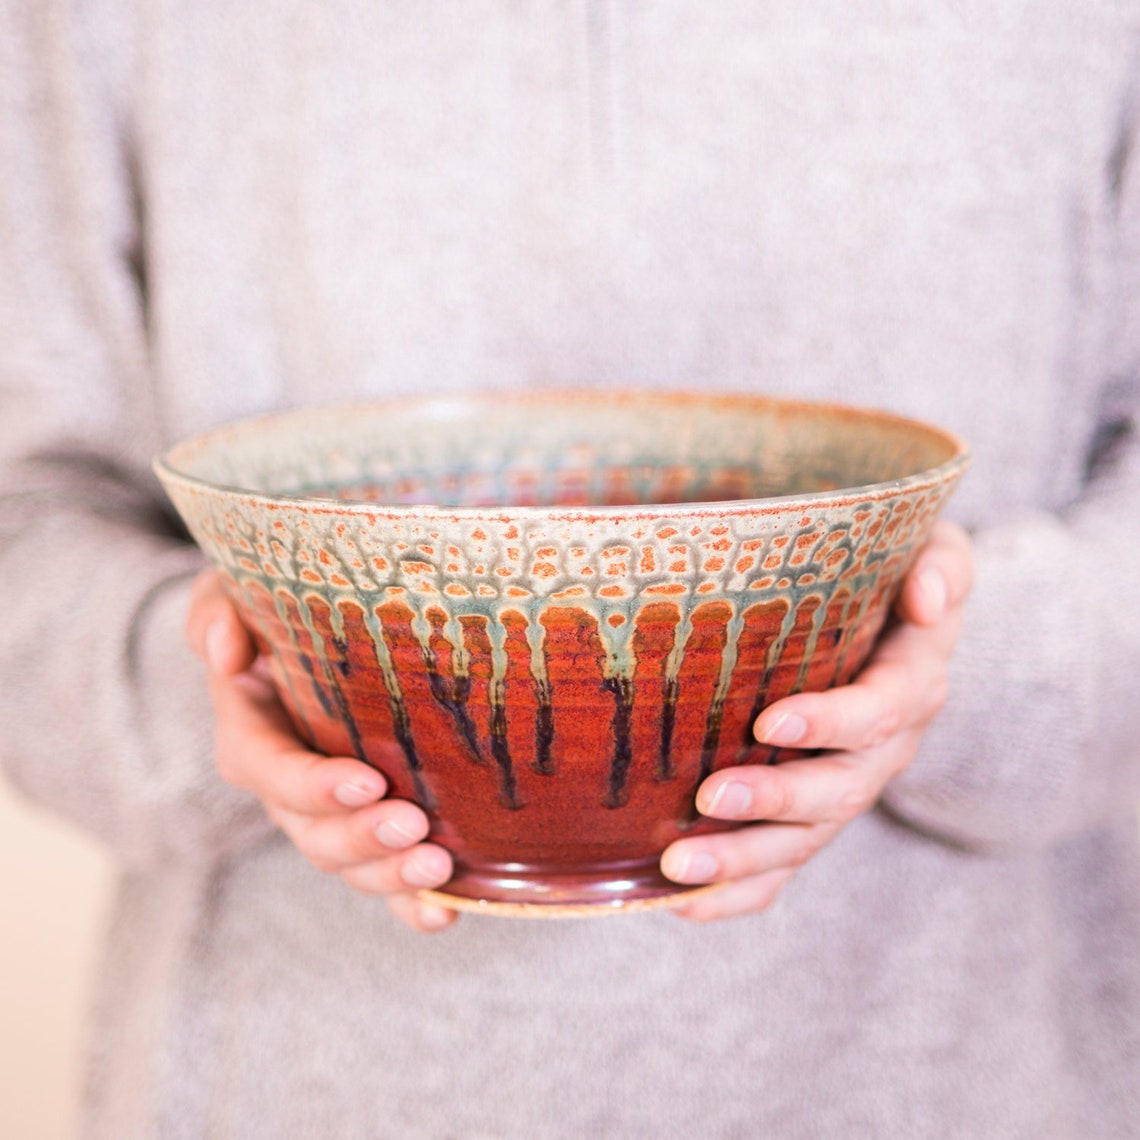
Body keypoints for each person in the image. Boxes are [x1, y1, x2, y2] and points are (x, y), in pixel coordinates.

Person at [1, 3, 1137, 1137]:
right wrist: (223, 680)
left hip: (979, 1078)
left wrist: (959, 671)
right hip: (287, 1084)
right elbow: (26, 516)